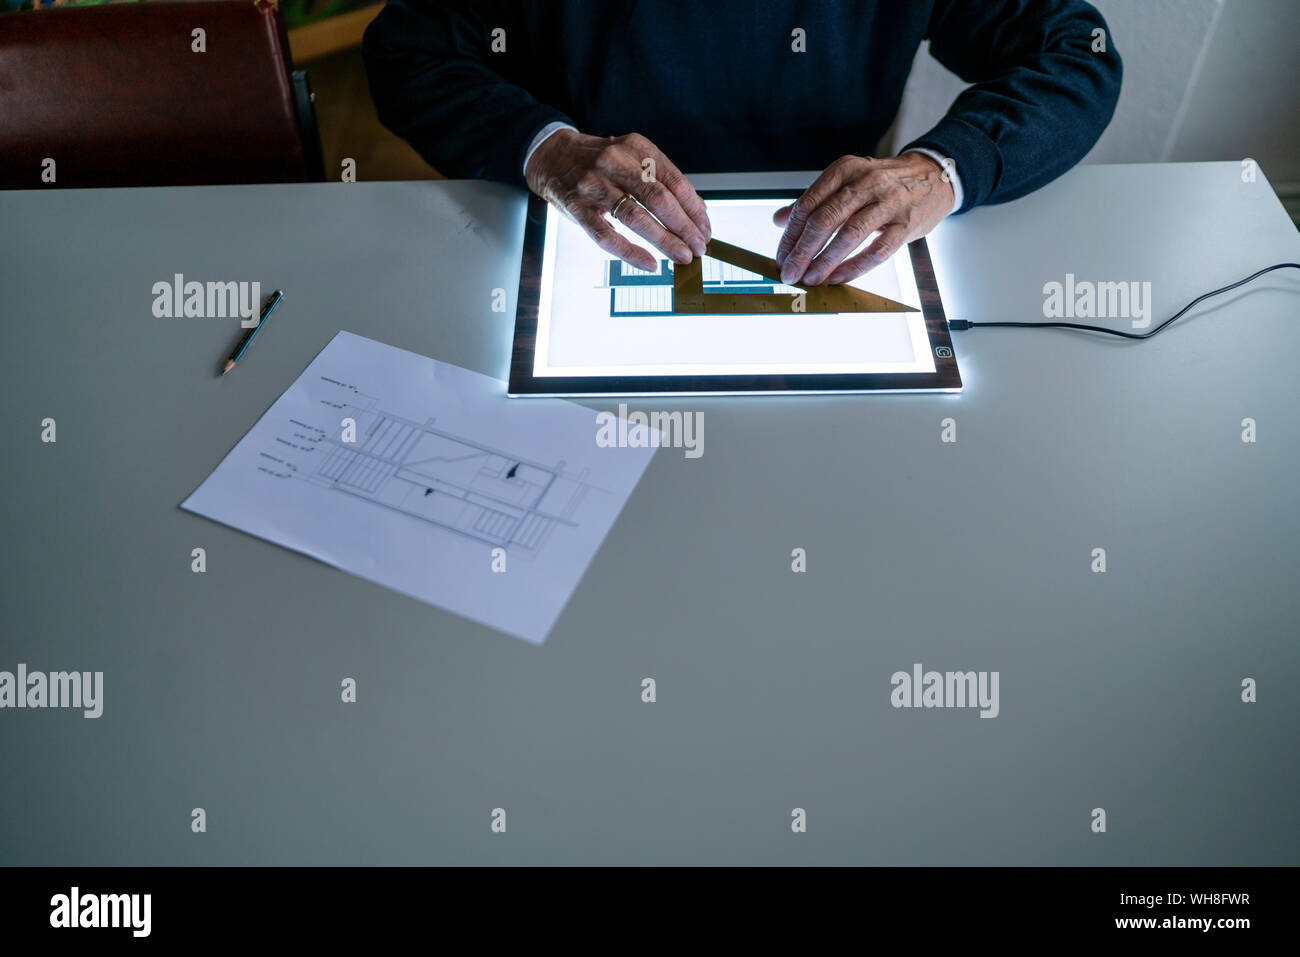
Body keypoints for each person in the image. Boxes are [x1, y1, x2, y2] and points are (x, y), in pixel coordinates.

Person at [364, 0, 1121, 284]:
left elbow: (1075, 51)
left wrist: (940, 171)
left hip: (826, 249)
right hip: (585, 238)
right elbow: (405, 49)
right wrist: (547, 149)